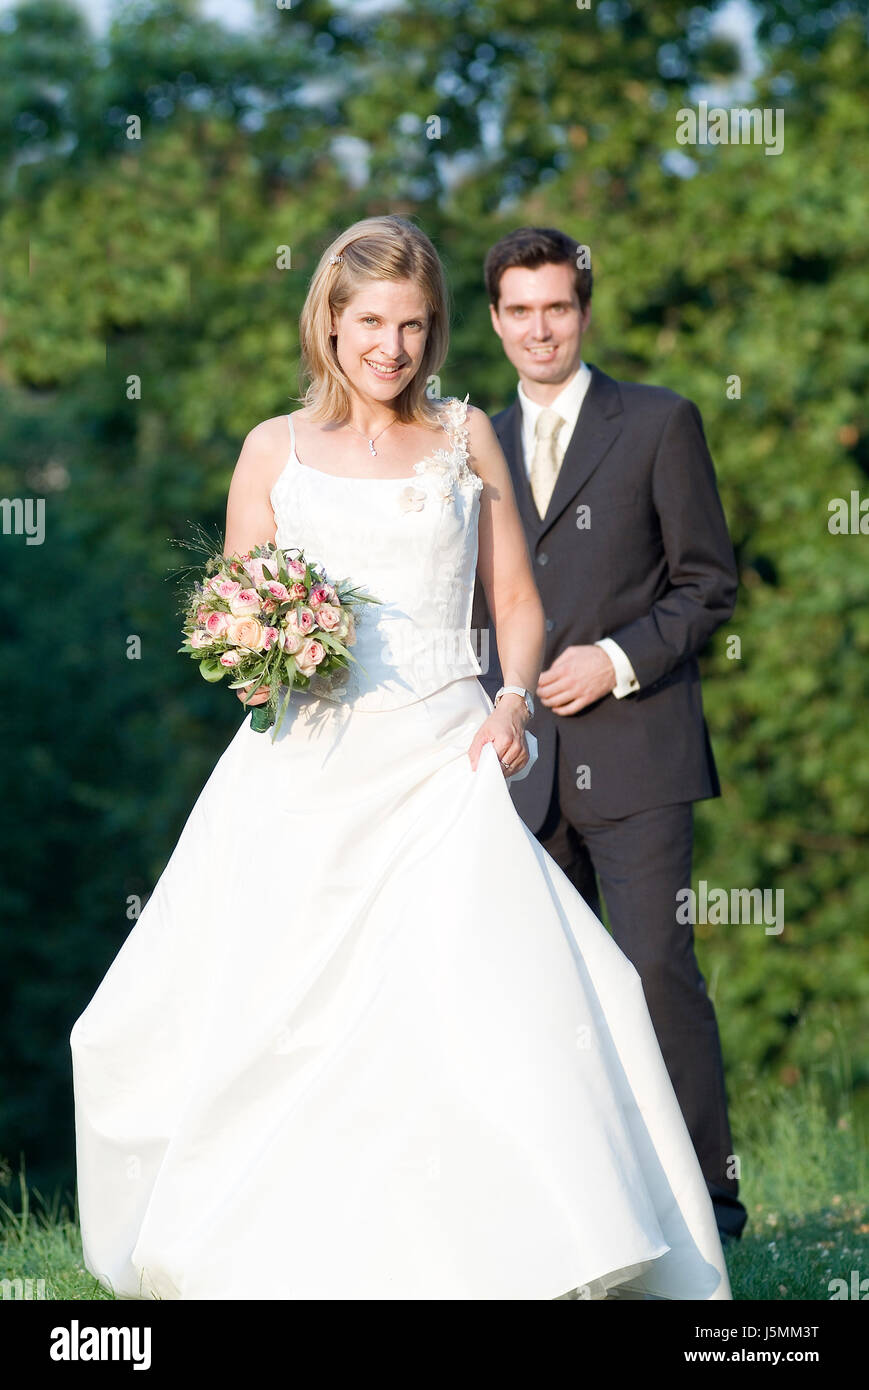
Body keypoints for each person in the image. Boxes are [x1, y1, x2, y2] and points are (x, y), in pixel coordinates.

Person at [70, 215, 731, 1300]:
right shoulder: (269, 451)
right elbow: (239, 613)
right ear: (328, 319)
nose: (392, 347)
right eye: (370, 321)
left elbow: (515, 602)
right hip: (307, 764)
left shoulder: (467, 436)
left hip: (445, 747)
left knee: (469, 1003)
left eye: (414, 326)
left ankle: (507, 1248)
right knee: (282, 1010)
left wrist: (513, 700)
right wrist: (256, 659)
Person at [471, 225, 747, 1245]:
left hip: (638, 755)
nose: (538, 328)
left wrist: (616, 659)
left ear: (582, 311)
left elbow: (707, 584)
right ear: (495, 319)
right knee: (538, 994)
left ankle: (709, 1212)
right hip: (520, 770)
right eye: (518, 310)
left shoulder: (660, 423)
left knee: (653, 971)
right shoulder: (473, 443)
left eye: (556, 307)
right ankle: (578, 1219)